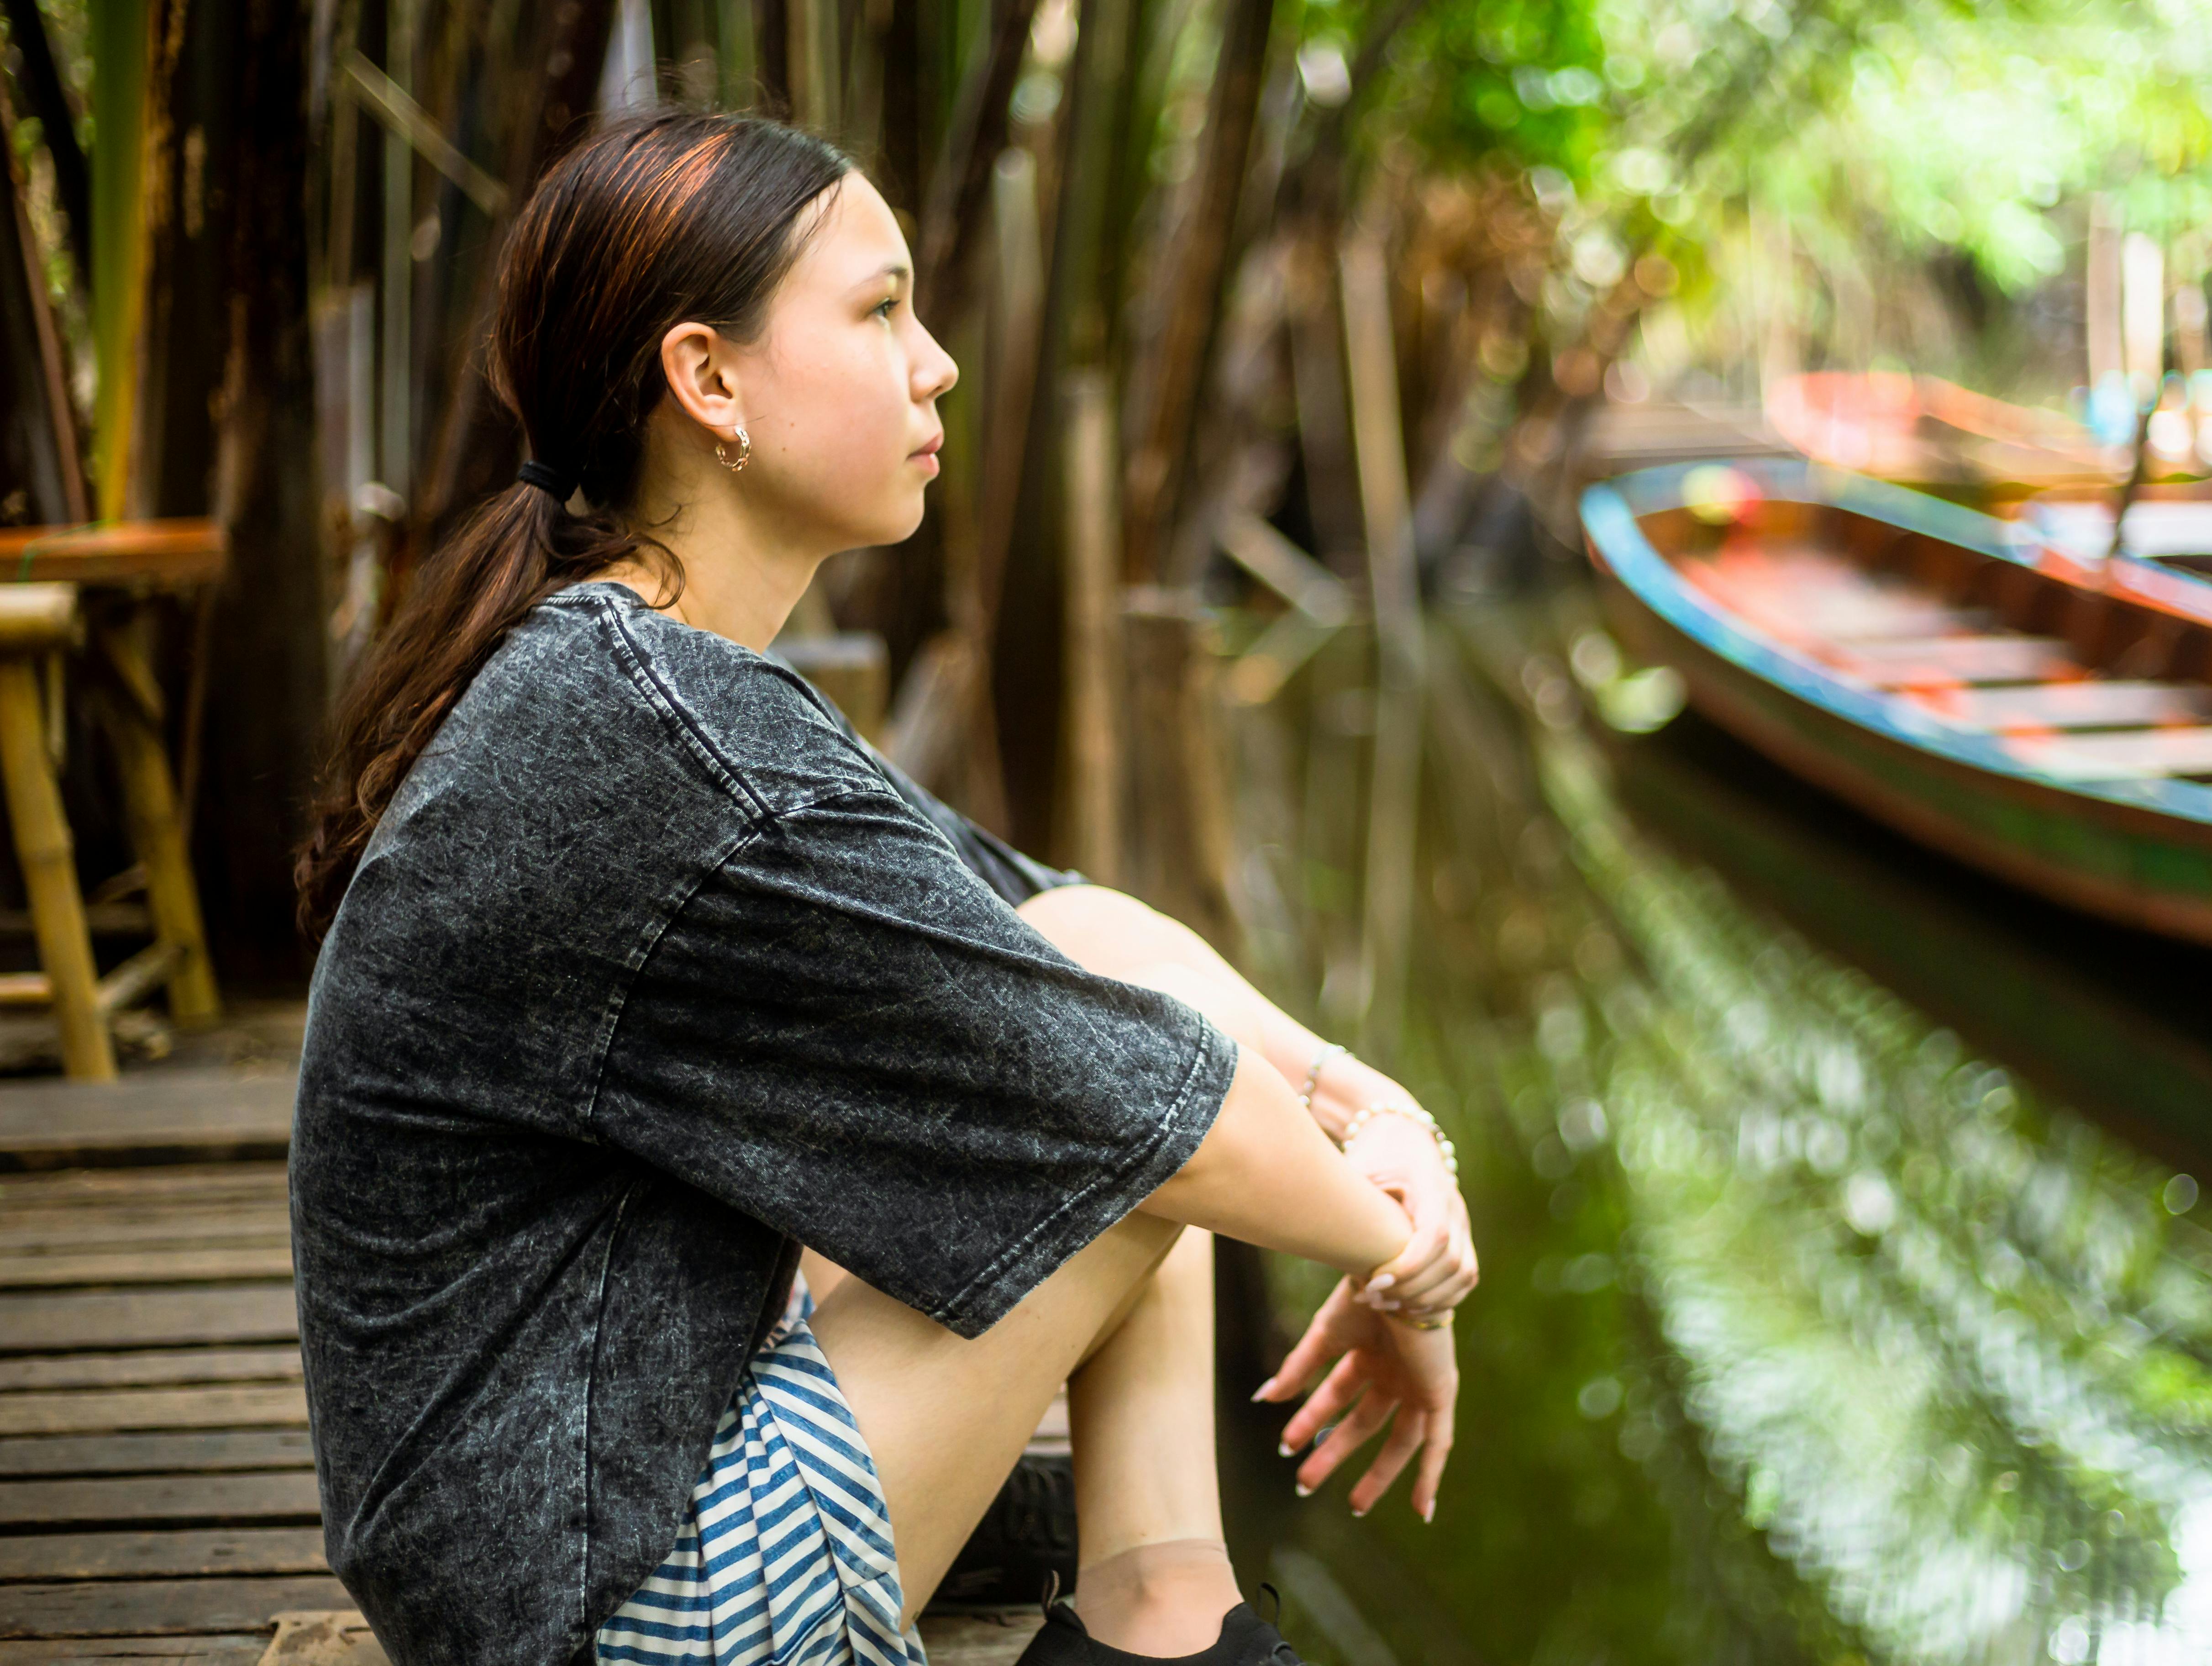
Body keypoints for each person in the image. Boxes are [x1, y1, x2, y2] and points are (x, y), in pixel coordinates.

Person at [289, 109, 1476, 1666]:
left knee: (1093, 1021)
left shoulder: (649, 682)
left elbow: (1053, 916)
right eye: (880, 310)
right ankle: (1170, 1626)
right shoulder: (647, 733)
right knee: (1131, 1122)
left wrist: (1375, 1112)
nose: (940, 365)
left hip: (571, 1524)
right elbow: (1145, 1096)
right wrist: (1410, 1268)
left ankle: (1168, 1622)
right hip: (600, 1610)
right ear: (707, 380)